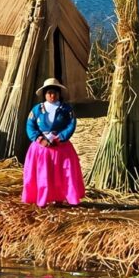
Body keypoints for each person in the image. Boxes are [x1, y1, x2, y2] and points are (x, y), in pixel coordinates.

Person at [21, 78, 85, 207]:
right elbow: (30, 126)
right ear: (45, 94)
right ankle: (42, 199)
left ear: (59, 93)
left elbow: (71, 125)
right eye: (49, 93)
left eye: (55, 92)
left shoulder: (66, 109)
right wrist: (40, 139)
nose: (52, 95)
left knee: (62, 173)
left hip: (61, 148)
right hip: (41, 148)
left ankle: (60, 198)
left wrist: (60, 138)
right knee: (43, 174)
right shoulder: (37, 110)